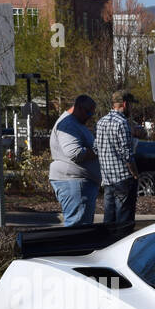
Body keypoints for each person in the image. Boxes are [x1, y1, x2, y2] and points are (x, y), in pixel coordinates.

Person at [49, 95, 99, 226]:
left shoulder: (74, 123)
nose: (90, 116)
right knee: (77, 229)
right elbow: (74, 152)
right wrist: (98, 150)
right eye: (88, 112)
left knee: (80, 229)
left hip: (77, 183)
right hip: (74, 183)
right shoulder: (68, 124)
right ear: (78, 107)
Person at [95, 89, 139, 224]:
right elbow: (127, 154)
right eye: (131, 105)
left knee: (109, 217)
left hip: (108, 178)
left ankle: (109, 243)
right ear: (125, 104)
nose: (131, 108)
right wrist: (135, 173)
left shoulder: (101, 122)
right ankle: (122, 242)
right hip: (123, 178)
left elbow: (96, 148)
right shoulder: (122, 123)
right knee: (124, 219)